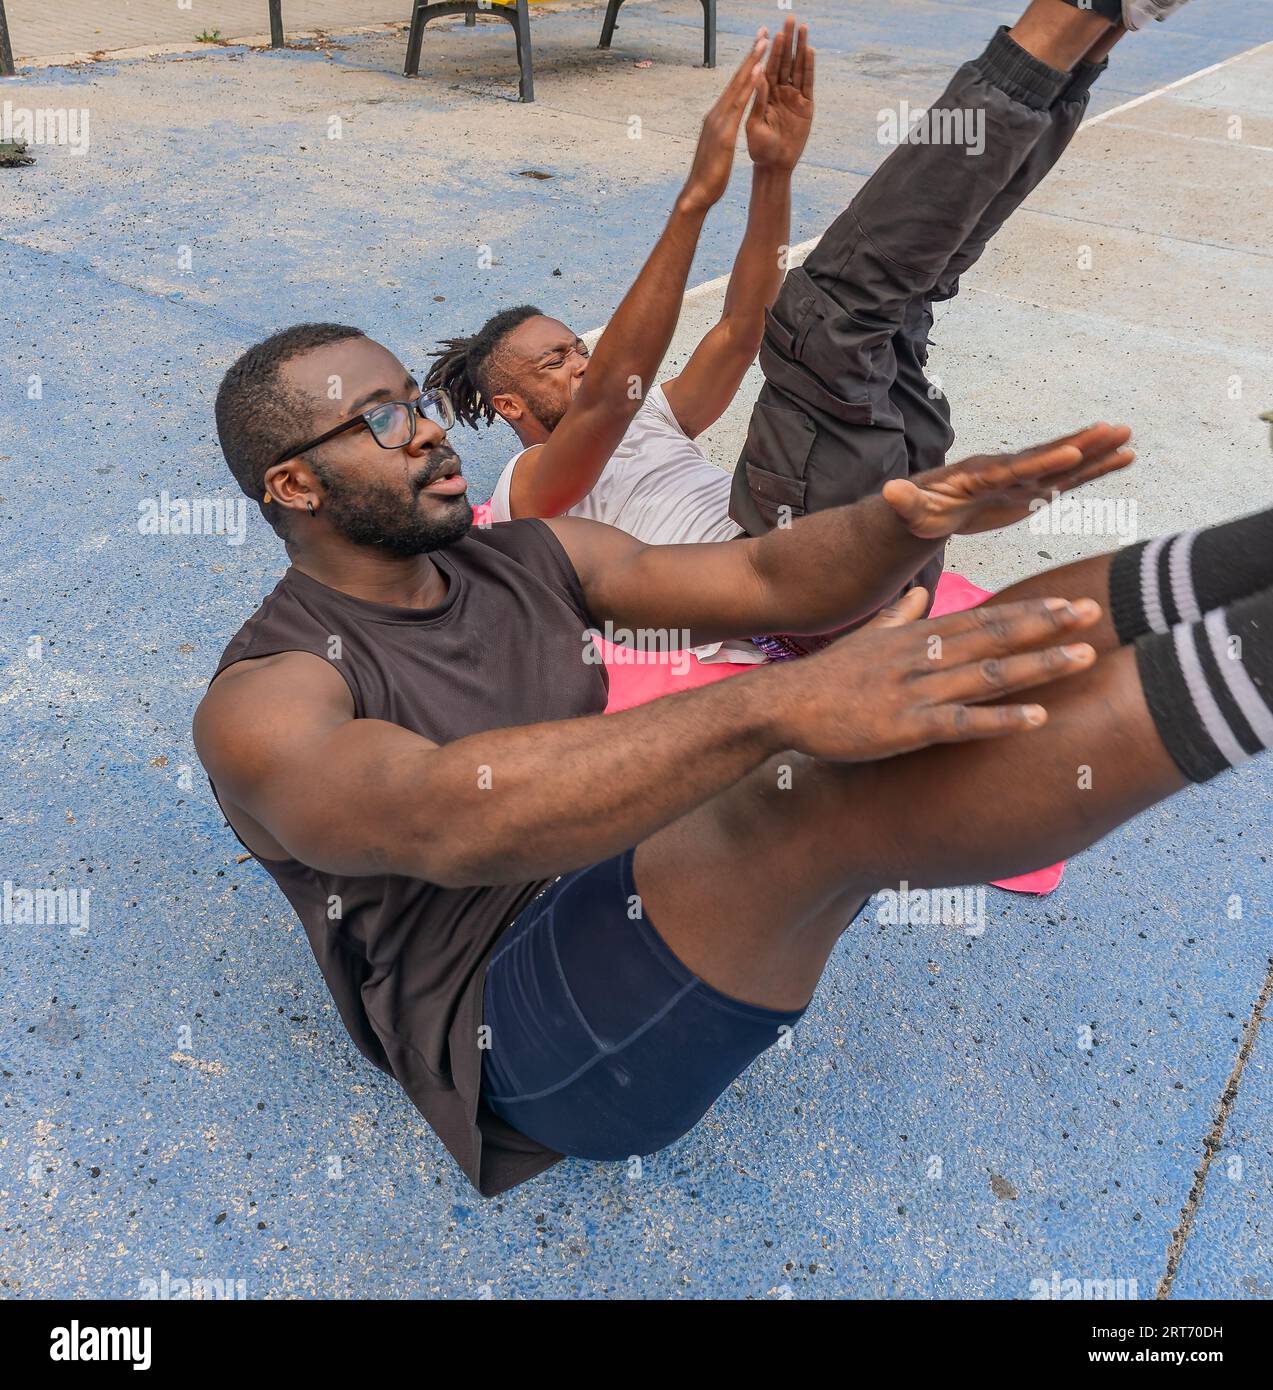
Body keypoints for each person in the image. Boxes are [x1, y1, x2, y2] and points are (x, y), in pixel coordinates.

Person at [195, 2, 1270, 1200]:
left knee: (940, 629)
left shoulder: (534, 551)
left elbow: (763, 576)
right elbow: (452, 816)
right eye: (386, 419)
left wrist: (911, 516)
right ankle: (1065, 32)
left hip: (630, 880)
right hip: (519, 1030)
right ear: (292, 484)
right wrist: (779, 707)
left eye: (420, 402)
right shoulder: (266, 697)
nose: (428, 432)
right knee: (799, 790)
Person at [427, 3, 1191, 657]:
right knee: (831, 311)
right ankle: (1067, 15)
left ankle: (1099, 34)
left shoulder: (655, 415)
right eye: (554, 363)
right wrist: (695, 196)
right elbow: (606, 406)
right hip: (794, 586)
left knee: (899, 300)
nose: (581, 364)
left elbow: (738, 326)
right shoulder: (527, 492)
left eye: (580, 346)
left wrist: (772, 171)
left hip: (872, 550)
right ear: (511, 408)